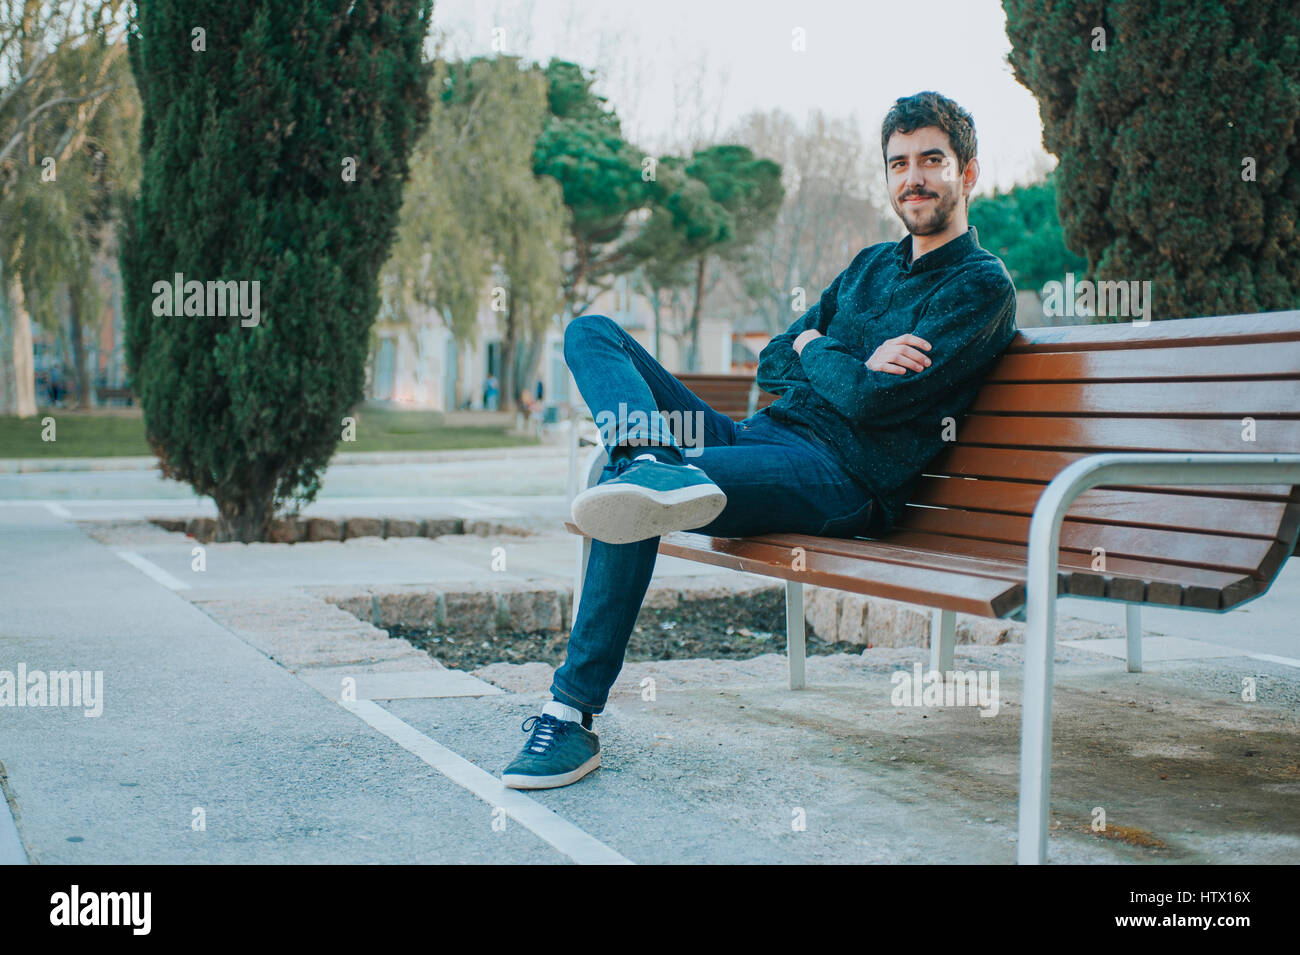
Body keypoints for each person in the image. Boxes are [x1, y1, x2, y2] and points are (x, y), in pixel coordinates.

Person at [501, 91, 1019, 790]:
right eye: (899, 163)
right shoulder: (871, 265)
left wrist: (822, 352)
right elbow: (775, 358)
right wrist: (824, 347)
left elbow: (875, 400)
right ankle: (647, 455)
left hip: (841, 479)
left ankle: (568, 715)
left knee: (622, 490)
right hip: (762, 434)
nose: (914, 177)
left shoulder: (980, 288)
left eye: (932, 160)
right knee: (592, 333)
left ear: (969, 173)